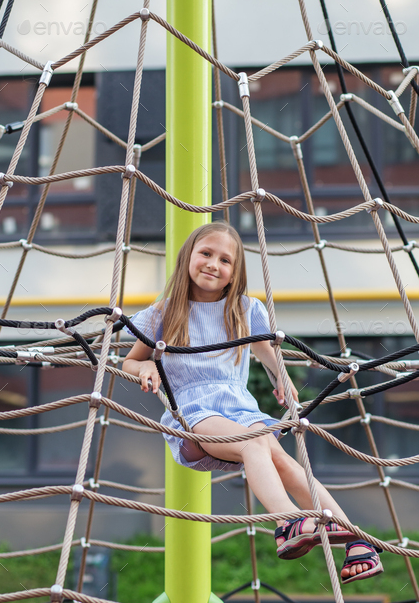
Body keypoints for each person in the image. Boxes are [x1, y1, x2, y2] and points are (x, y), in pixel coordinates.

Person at [123, 221, 382, 584]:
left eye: (225, 260)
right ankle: (288, 521)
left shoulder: (244, 309)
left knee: (284, 460)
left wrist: (283, 378)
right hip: (193, 415)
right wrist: (146, 364)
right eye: (206, 254)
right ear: (187, 259)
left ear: (234, 273)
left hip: (239, 407)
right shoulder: (163, 313)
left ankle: (355, 539)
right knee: (252, 443)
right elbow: (130, 360)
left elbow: (267, 354)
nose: (214, 264)